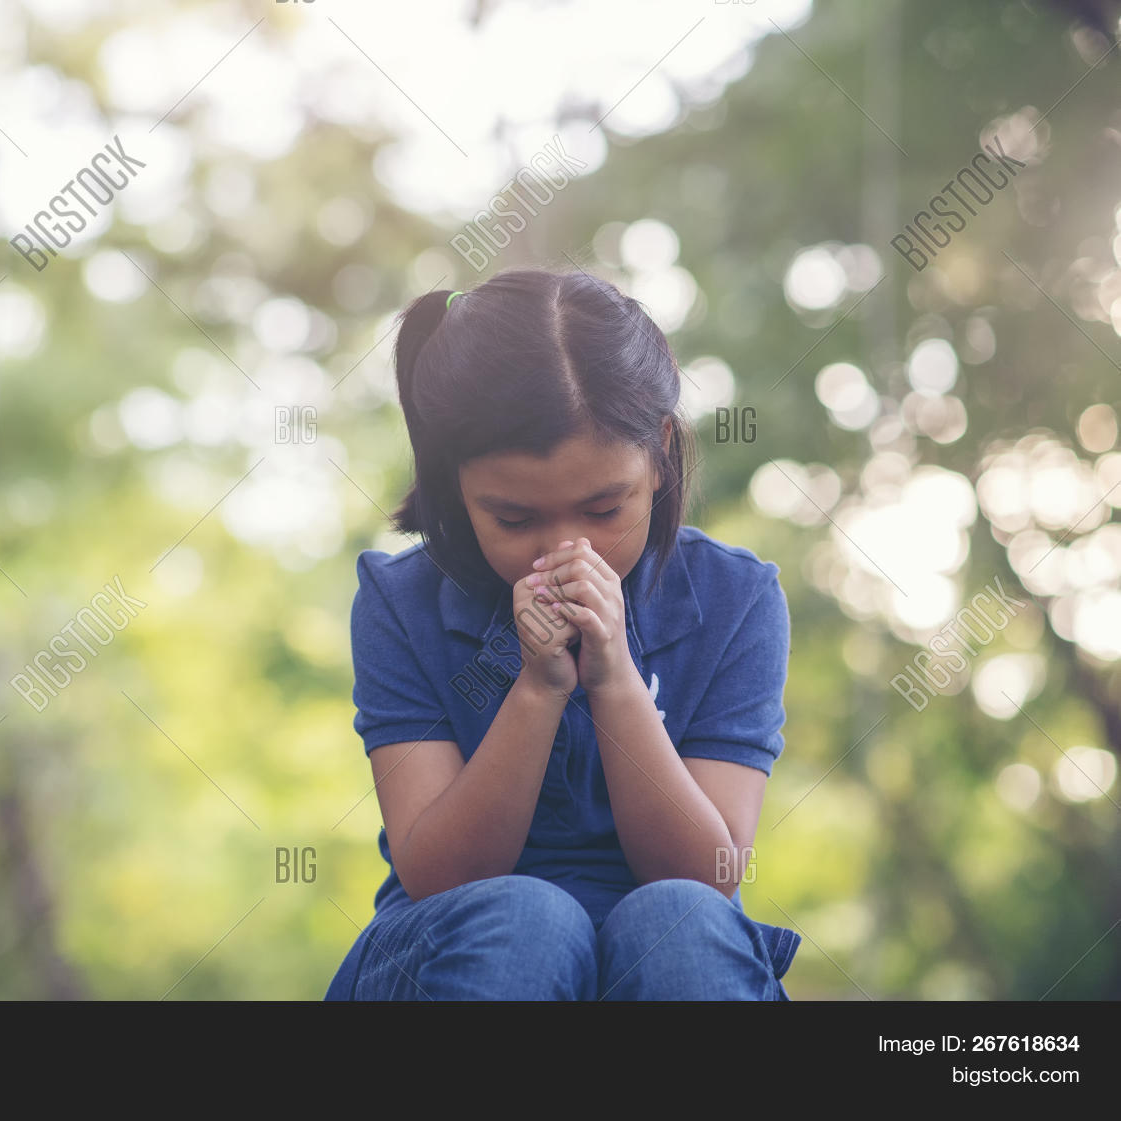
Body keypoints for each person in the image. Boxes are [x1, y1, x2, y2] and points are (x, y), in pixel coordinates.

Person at [325, 268, 801, 1000]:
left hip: (677, 946)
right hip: (458, 949)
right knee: (528, 921)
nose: (563, 552)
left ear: (660, 454)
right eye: (514, 520)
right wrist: (537, 685)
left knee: (679, 921)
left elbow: (708, 873)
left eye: (605, 508)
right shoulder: (401, 604)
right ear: (458, 487)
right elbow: (439, 875)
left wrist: (613, 678)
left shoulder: (736, 600)